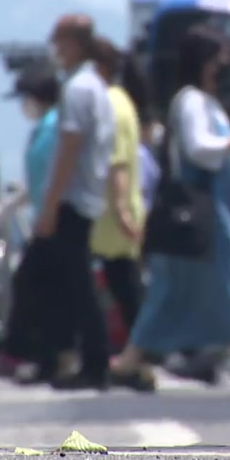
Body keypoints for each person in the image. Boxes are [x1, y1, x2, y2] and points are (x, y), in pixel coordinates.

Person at [108, 25, 230, 393]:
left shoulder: (206, 102)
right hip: (201, 210)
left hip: (207, 209)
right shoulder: (190, 101)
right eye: (220, 58)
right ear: (204, 62)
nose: (226, 66)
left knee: (173, 291)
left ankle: (130, 360)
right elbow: (199, 149)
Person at [39, 14, 117, 391]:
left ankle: (92, 360)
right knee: (74, 281)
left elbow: (69, 149)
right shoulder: (95, 87)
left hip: (73, 199)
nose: (55, 50)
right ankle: (81, 356)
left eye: (60, 42)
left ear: (75, 43)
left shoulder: (77, 89)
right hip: (88, 197)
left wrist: (49, 205)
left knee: (77, 284)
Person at [0, 64, 66, 381]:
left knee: (31, 287)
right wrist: (2, 211)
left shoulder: (55, 129)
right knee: (37, 289)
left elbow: (56, 178)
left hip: (56, 220)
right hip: (45, 220)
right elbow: (35, 184)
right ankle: (39, 357)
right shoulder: (44, 129)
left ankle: (22, 354)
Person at [89, 37, 146, 334]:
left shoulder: (109, 103)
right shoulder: (122, 99)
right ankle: (139, 355)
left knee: (123, 287)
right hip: (118, 209)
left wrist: (121, 210)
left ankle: (141, 355)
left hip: (112, 213)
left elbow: (117, 161)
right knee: (124, 285)